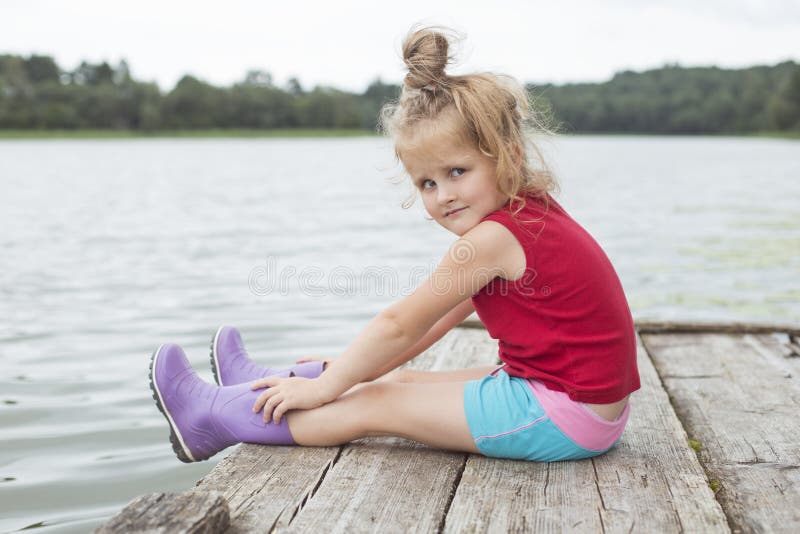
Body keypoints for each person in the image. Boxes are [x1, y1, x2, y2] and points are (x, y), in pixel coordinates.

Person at [149, 25, 640, 464]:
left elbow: (400, 325)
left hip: (564, 414)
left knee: (373, 402)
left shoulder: (493, 239)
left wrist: (326, 388)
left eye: (457, 172)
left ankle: (210, 419)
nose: (443, 195)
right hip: (583, 407)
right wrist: (329, 378)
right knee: (396, 382)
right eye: (426, 183)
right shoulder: (529, 214)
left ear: (505, 156)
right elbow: (429, 327)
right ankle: (258, 385)